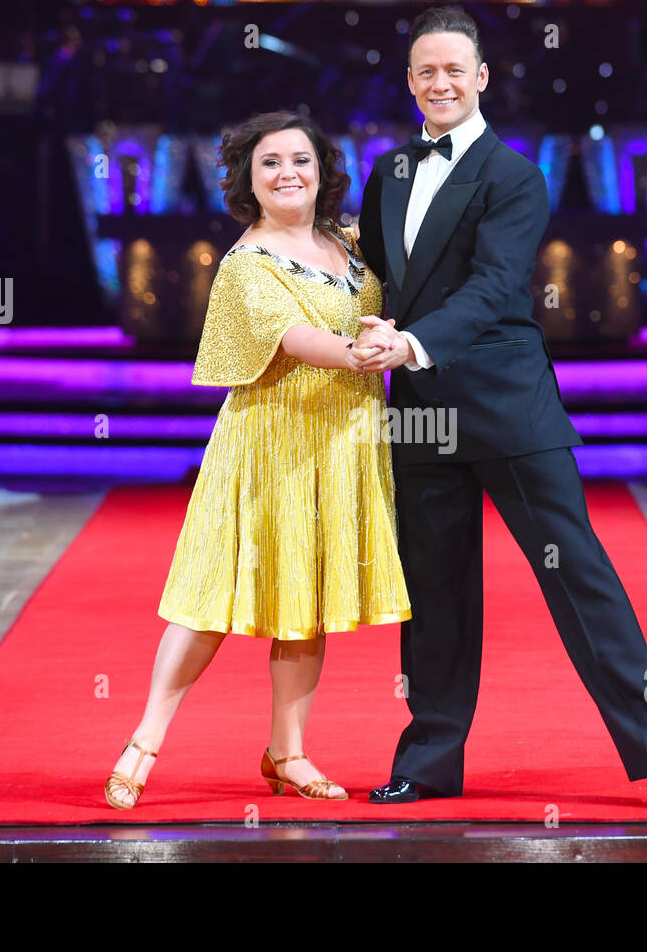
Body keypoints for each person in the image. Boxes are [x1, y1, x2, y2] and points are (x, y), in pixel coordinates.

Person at [353, 7, 647, 809]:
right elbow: (374, 276)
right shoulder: (391, 171)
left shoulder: (513, 174)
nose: (440, 83)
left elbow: (495, 289)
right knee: (432, 595)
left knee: (580, 578)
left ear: (480, 79)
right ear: (411, 83)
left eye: (453, 70)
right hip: (420, 413)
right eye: (424, 71)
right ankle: (429, 761)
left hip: (508, 406)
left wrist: (411, 343)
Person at [104, 111, 410, 809]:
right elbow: (299, 337)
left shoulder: (346, 242)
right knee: (210, 597)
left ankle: (288, 753)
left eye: (300, 159)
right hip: (268, 448)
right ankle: (143, 743)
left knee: (307, 602)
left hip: (342, 443)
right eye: (269, 163)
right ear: (248, 180)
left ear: (322, 169)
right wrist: (369, 350)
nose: (287, 174)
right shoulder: (248, 263)